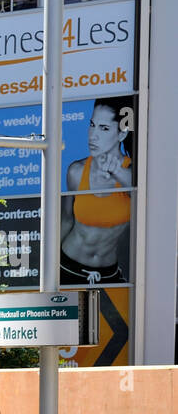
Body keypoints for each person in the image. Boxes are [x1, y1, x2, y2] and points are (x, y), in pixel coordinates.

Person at [61, 97, 132, 285]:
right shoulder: (76, 171)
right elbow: (66, 219)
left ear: (122, 134)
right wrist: (47, 266)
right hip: (67, 265)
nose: (93, 135)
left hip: (108, 272)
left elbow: (142, 191)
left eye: (104, 128)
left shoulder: (133, 173)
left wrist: (116, 171)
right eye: (92, 125)